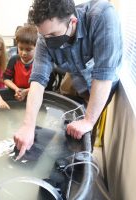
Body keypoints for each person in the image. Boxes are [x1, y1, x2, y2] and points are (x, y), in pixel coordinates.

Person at [14, 0, 122, 159]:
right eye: (44, 35)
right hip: (77, 76)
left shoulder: (102, 17)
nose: (47, 40)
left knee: (85, 131)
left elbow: (104, 74)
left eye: (52, 35)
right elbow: (38, 80)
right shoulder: (45, 36)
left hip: (103, 82)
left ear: (73, 22)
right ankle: (61, 159)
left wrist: (88, 122)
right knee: (67, 123)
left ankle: (82, 162)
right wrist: (27, 125)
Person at [4, 25, 38, 102]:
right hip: (17, 93)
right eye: (21, 48)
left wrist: (26, 91)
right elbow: (6, 79)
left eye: (28, 49)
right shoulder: (14, 60)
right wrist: (17, 89)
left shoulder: (39, 63)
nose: (24, 53)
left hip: (34, 95)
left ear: (37, 47)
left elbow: (42, 86)